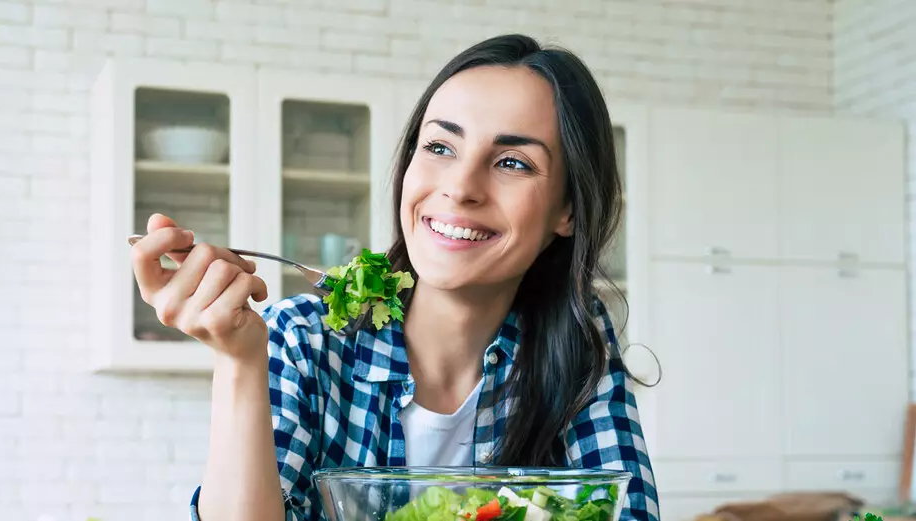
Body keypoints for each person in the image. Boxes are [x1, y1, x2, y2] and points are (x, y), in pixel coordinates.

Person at [129, 34, 659, 521]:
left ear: (567, 209)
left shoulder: (580, 348)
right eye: (440, 148)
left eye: (513, 162)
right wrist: (238, 357)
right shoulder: (303, 339)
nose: (460, 187)